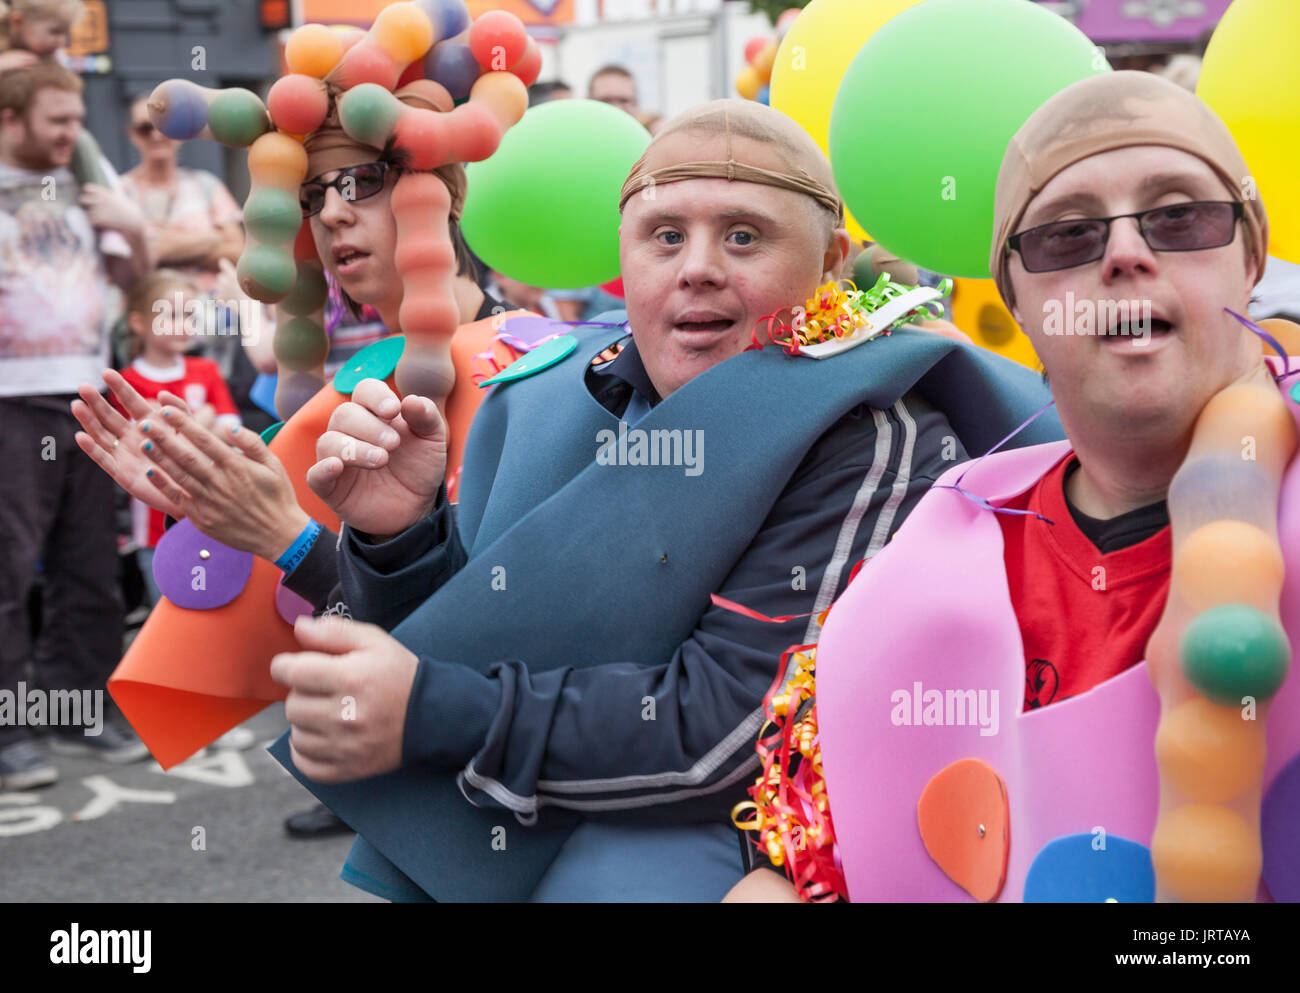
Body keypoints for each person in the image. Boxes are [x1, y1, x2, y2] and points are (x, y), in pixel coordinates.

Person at [264, 99, 1059, 903]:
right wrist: (400, 535)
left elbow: (719, 738)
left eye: (743, 235)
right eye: (666, 236)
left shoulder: (872, 431)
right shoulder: (566, 391)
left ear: (830, 264)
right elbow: (483, 638)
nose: (698, 267)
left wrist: (432, 708)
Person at [723, 71, 1300, 903]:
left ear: (1250, 258)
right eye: (1069, 235)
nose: (1127, 254)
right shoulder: (925, 558)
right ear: (1018, 300)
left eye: (1179, 217)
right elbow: (814, 866)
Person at [70, 80, 522, 820]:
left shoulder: (535, 372)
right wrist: (218, 505)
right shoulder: (364, 379)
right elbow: (369, 620)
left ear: (440, 191)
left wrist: (287, 536)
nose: (333, 213)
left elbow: (472, 652)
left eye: (362, 181)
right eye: (312, 196)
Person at [0, 62, 151, 788]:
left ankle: (77, 706)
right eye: (58, 120)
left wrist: (133, 230)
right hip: (8, 402)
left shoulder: (93, 182)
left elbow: (136, 279)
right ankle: (7, 731)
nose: (73, 132)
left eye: (75, 118)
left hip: (89, 395)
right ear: (10, 119)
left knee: (89, 566)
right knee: (7, 568)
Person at [119, 94, 244, 296]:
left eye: (164, 126)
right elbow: (128, 258)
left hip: (210, 316)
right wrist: (213, 237)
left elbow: (238, 252)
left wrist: (168, 247)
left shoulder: (206, 185)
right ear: (132, 134)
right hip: (149, 314)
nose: (156, 135)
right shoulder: (120, 192)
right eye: (145, 128)